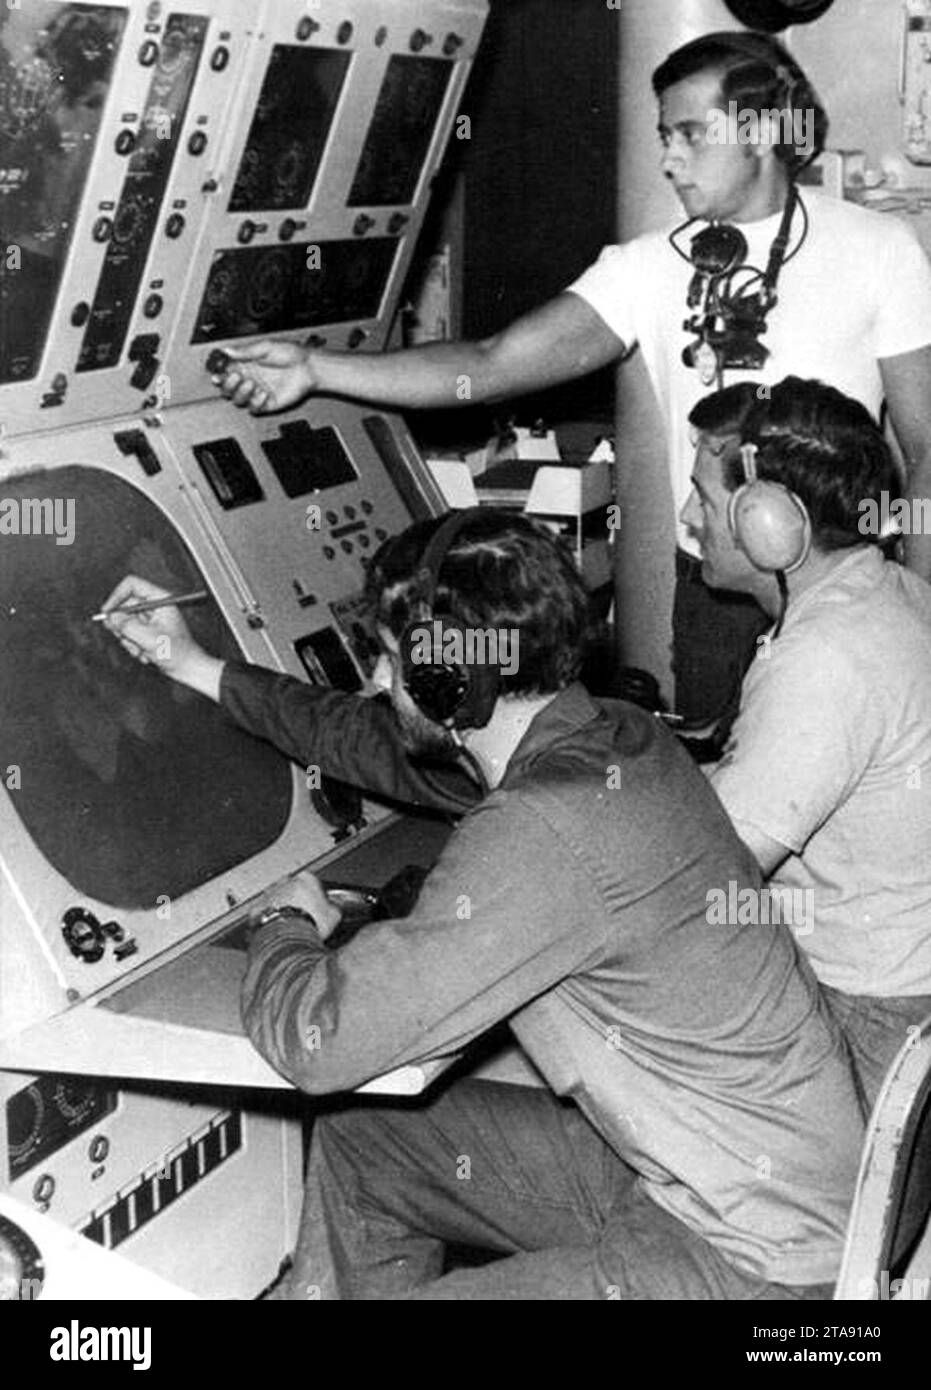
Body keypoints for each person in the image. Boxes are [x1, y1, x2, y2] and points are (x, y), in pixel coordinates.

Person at [101, 508, 863, 1300]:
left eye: (392, 663)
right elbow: (371, 741)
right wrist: (194, 663)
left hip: (758, 1261)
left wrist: (281, 925)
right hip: (748, 1177)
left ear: (447, 680)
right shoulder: (614, 736)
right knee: (371, 1143)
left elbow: (324, 1043)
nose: (375, 681)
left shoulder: (541, 822)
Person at [209, 29, 931, 738]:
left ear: (764, 131)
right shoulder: (645, 267)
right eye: (661, 137)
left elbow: (926, 448)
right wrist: (315, 368)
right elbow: (489, 364)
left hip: (841, 581)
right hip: (716, 588)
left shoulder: (878, 251)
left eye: (687, 134)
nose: (667, 159)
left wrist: (921, 601)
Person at [681, 376, 931, 1112]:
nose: (688, 517)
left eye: (703, 494)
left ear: (767, 523)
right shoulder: (894, 594)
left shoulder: (823, 656)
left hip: (865, 1029)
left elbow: (702, 870)